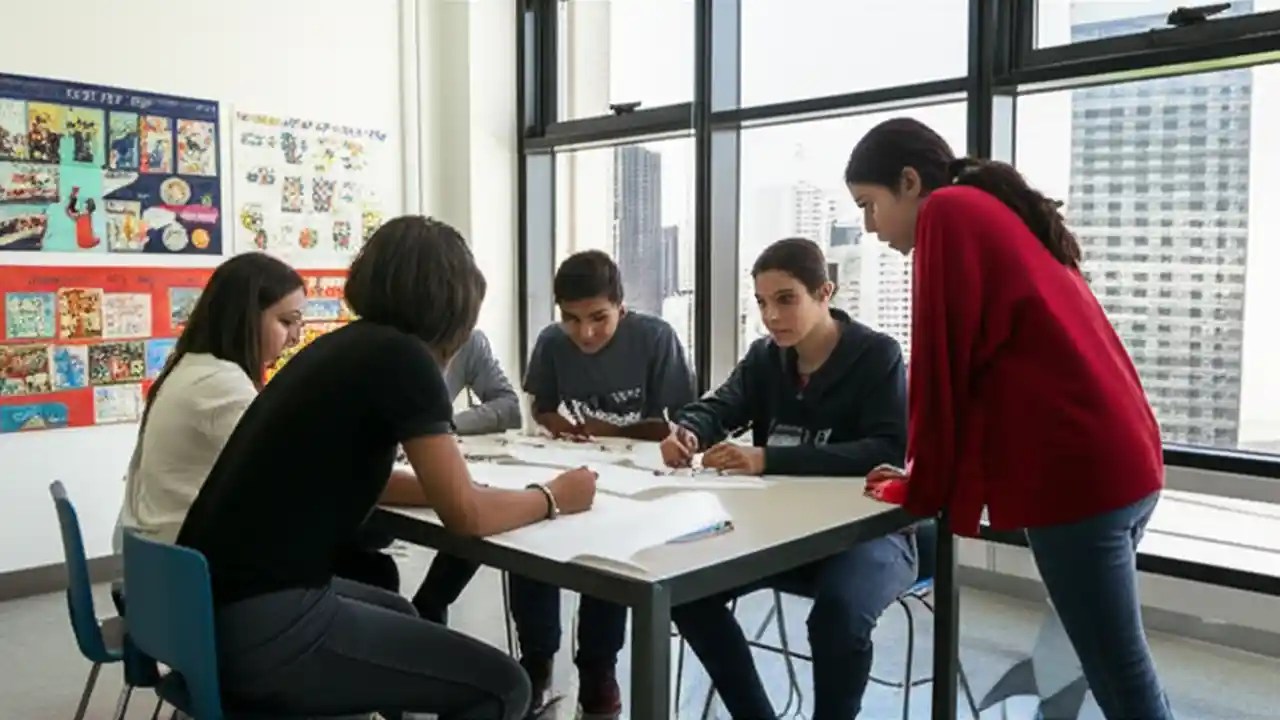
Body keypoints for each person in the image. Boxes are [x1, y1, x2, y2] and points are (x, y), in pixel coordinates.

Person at [174, 216, 599, 720]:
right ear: (455, 302)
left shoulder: (344, 347)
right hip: (267, 625)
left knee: (401, 611)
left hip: (205, 615)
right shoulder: (404, 360)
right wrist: (553, 496)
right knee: (504, 688)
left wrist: (458, 488)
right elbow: (467, 517)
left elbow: (366, 481)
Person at [845, 117, 1170, 720]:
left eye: (869, 205)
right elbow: (992, 375)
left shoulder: (948, 213)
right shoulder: (993, 209)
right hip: (1122, 459)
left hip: (1079, 478)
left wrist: (921, 484)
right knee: (1107, 665)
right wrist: (923, 472)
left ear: (909, 182)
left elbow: (943, 372)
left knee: (1120, 677)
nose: (869, 227)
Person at [415, 250, 697, 718]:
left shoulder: (656, 338)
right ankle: (538, 661)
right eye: (571, 318)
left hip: (641, 476)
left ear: (621, 308)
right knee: (533, 532)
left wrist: (610, 432)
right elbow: (541, 408)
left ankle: (597, 669)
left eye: (598, 319)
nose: (584, 332)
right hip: (568, 460)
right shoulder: (551, 342)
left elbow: (676, 420)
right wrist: (562, 426)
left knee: (608, 555)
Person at [659, 237, 915, 720]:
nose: (771, 316)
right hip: (781, 533)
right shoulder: (765, 358)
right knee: (684, 590)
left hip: (870, 535)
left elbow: (885, 450)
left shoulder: (876, 355)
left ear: (825, 293)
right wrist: (689, 431)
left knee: (837, 617)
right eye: (761, 302)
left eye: (785, 299)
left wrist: (767, 459)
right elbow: (721, 405)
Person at [114, 252, 306, 550]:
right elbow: (289, 476)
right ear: (246, 317)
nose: (295, 337)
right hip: (189, 567)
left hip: (159, 558)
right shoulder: (220, 383)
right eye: (286, 321)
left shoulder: (194, 366)